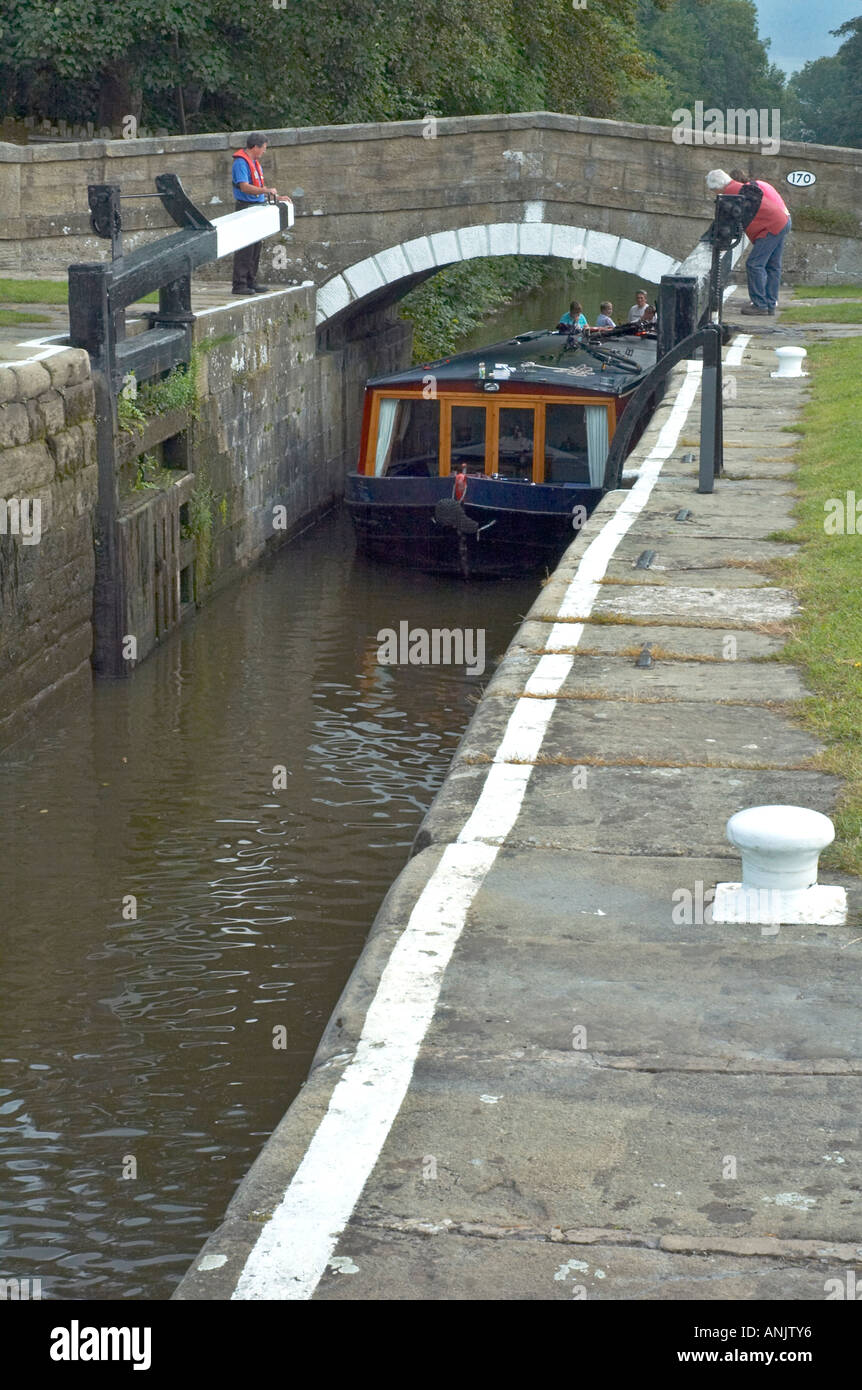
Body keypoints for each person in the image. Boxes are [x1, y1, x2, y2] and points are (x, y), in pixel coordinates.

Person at [706, 168, 791, 316]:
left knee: (754, 264)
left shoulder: (730, 194)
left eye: (714, 191)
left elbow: (725, 220)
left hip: (771, 227)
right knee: (773, 265)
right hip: (781, 221)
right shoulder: (740, 187)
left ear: (717, 187)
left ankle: (760, 305)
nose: (715, 194)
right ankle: (770, 303)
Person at [231, 133, 293, 295]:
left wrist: (276, 197)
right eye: (263, 148)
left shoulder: (254, 163)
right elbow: (244, 187)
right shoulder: (241, 163)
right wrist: (266, 190)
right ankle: (240, 284)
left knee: (256, 247)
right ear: (256, 147)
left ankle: (251, 281)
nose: (264, 152)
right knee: (245, 246)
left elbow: (258, 188)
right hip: (246, 207)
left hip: (257, 206)